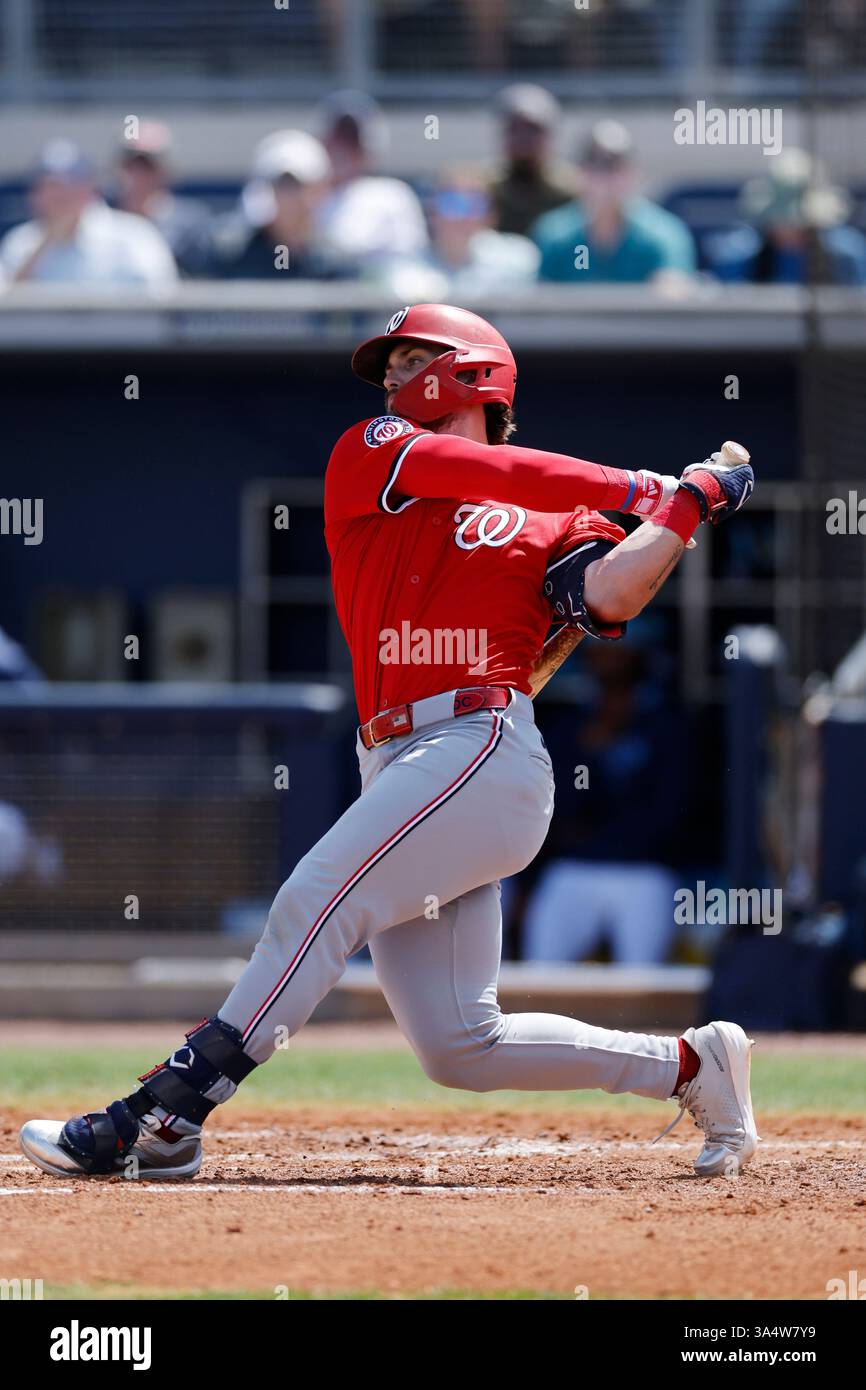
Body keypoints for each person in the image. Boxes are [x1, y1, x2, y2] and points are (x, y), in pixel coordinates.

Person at [19, 303, 758, 1184]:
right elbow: (483, 465)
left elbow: (609, 595)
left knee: (315, 901)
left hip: (481, 746)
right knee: (460, 1046)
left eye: (412, 361)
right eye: (391, 367)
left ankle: (165, 1114)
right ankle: (691, 1065)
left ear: (474, 372)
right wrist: (638, 489)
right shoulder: (372, 451)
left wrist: (681, 509)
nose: (394, 381)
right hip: (399, 760)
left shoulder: (551, 516)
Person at [522, 643, 687, 965]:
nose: (607, 658)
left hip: (645, 869)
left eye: (619, 650)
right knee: (539, 972)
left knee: (642, 983)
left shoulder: (668, 726)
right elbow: (555, 810)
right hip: (575, 867)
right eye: (598, 652)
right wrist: (591, 752)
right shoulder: (572, 726)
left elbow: (673, 812)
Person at [532, 120, 697, 284]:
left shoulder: (664, 234)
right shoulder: (554, 233)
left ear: (632, 173)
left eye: (615, 165)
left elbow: (674, 292)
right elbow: (542, 298)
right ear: (580, 172)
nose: (605, 177)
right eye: (595, 164)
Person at [0, 139, 178, 287]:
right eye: (47, 186)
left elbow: (163, 305)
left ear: (91, 189)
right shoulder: (20, 243)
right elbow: (8, 312)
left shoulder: (135, 236)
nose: (58, 196)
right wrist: (43, 245)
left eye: (69, 185)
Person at [704, 148, 866, 287]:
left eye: (800, 223)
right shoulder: (737, 256)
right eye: (782, 221)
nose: (790, 228)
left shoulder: (847, 254)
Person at [208, 130, 344, 280]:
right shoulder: (231, 258)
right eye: (280, 184)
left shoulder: (335, 263)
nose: (285, 196)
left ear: (320, 188)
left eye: (292, 183)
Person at [314, 91, 429, 267]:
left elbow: (410, 263)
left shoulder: (393, 196)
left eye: (352, 140)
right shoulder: (304, 196)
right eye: (335, 138)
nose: (341, 148)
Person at [112, 120, 213, 278]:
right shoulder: (99, 217)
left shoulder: (190, 225)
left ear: (166, 171)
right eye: (131, 164)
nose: (138, 175)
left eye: (148, 165)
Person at [487, 83, 577, 237]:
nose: (523, 138)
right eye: (515, 129)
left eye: (532, 130)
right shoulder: (485, 192)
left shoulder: (571, 192)